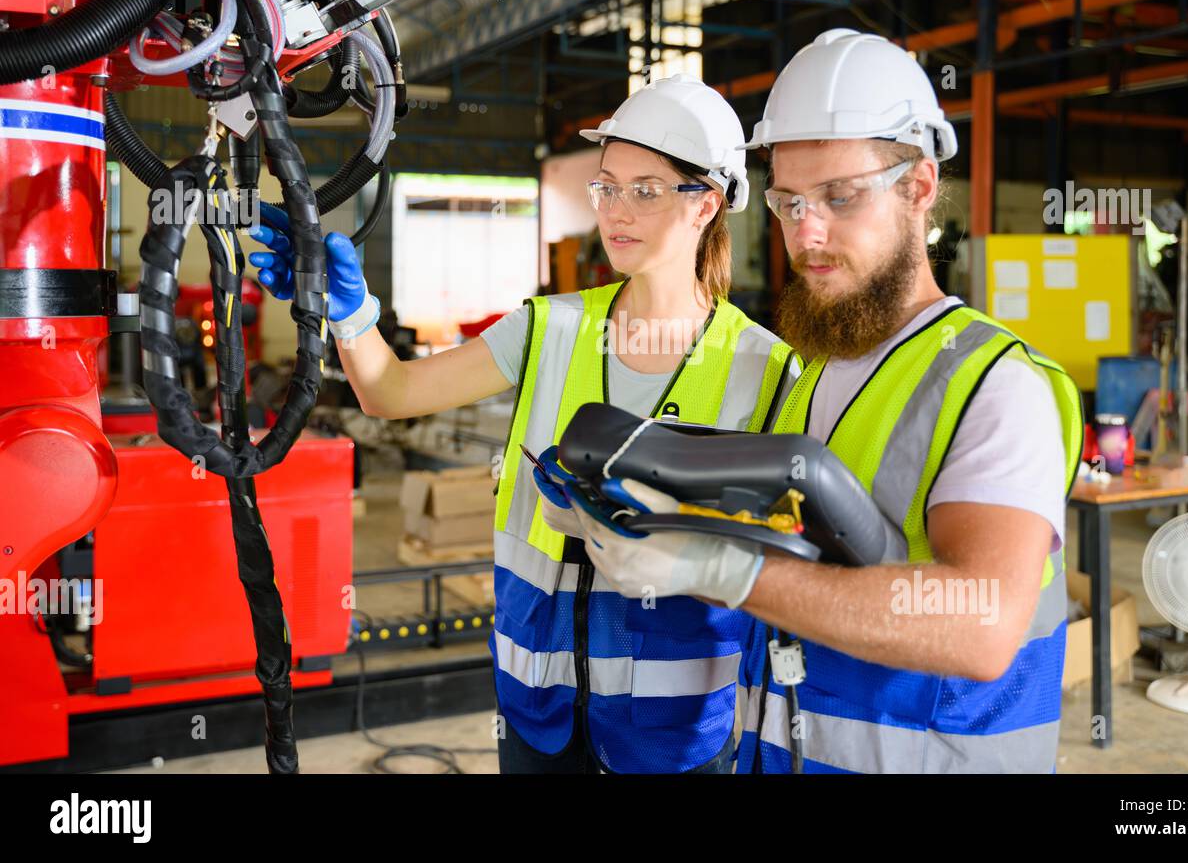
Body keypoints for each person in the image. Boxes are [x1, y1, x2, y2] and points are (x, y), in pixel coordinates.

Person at [248, 73, 797, 773]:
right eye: (607, 186)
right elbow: (389, 391)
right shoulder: (550, 328)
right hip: (540, 712)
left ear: (706, 204)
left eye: (646, 190)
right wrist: (348, 315)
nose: (616, 211)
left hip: (679, 730)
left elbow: (782, 565)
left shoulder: (768, 371)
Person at [566, 30, 1083, 773]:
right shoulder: (808, 376)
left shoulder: (993, 384)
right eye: (787, 202)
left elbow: (982, 624)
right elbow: (800, 558)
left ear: (920, 185)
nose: (806, 234)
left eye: (840, 197)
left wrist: (727, 574)